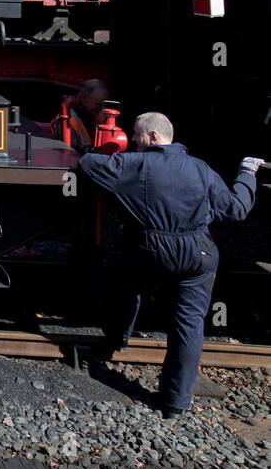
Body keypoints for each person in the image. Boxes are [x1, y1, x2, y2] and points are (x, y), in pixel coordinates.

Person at [79, 112, 262, 417]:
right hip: (198, 254)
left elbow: (87, 165)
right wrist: (246, 173)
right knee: (189, 324)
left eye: (137, 136)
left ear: (152, 137)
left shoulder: (136, 165)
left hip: (151, 251)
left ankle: (117, 337)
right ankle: (176, 403)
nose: (134, 141)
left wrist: (100, 149)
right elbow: (236, 208)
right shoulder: (201, 169)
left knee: (126, 279)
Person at [50, 78, 110, 152]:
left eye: (103, 105)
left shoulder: (94, 114)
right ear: (85, 97)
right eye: (98, 104)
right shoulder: (69, 119)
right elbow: (71, 151)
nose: (101, 109)